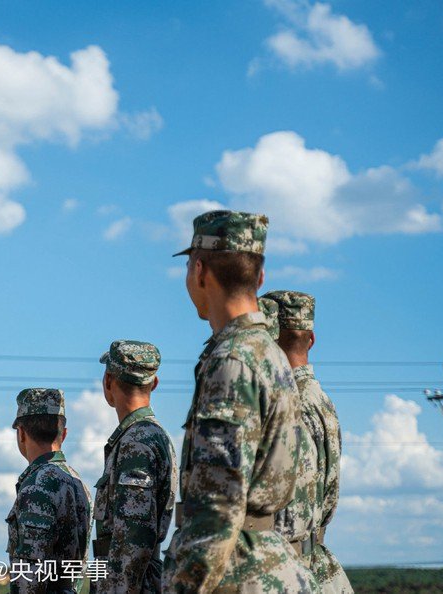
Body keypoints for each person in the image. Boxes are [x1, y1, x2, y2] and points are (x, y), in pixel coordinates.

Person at [163, 210, 318, 593]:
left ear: (200, 271)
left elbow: (217, 508)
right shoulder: (269, 352)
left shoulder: (232, 360)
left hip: (235, 572)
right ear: (260, 278)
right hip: (266, 563)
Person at [262, 291, 353, 594]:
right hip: (312, 563)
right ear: (311, 340)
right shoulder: (320, 400)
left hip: (286, 570)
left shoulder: (288, 405)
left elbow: (288, 516)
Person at [92, 340, 177, 593]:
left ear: (108, 380)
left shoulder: (136, 442)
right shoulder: (150, 436)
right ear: (154, 383)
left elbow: (133, 539)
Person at [8, 388, 91, 594]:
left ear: (21, 433)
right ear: (64, 434)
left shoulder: (38, 484)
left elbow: (30, 576)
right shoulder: (77, 482)